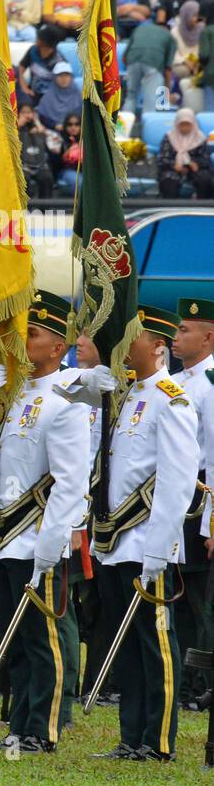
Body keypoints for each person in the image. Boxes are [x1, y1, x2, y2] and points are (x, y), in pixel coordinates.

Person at [0, 291, 89, 753]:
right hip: (1, 536)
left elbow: (70, 481)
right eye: (19, 334)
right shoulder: (11, 390)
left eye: (34, 335)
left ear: (57, 345)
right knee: (16, 639)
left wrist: (53, 542)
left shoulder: (66, 399)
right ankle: (19, 725)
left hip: (36, 538)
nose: (22, 342)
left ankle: (42, 731)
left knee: (43, 641)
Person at [80, 307, 198, 761]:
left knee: (155, 643)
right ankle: (131, 737)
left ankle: (159, 740)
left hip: (148, 539)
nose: (122, 348)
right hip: (114, 540)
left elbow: (177, 479)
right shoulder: (124, 392)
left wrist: (160, 546)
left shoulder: (172, 397)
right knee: (124, 641)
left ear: (157, 346)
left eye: (132, 339)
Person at [171, 296, 214, 711]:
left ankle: (199, 682)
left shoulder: (210, 383)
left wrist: (210, 525)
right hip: (176, 490)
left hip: (200, 495)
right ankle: (183, 680)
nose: (175, 337)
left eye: (185, 330)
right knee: (178, 593)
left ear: (209, 336)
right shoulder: (177, 381)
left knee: (198, 597)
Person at [157, 107, 214, 199]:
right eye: (182, 125)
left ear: (193, 124)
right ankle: (171, 208)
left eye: (187, 125)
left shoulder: (200, 138)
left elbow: (205, 158)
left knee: (205, 178)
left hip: (195, 170)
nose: (184, 128)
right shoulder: (169, 138)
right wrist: (174, 166)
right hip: (173, 169)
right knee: (168, 180)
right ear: (177, 124)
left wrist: (196, 164)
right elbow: (162, 159)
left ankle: (201, 208)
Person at [17, 100, 55, 199]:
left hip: (40, 165)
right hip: (22, 166)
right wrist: (18, 126)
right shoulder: (14, 129)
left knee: (47, 177)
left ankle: (45, 210)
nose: (27, 115)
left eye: (29, 112)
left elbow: (55, 147)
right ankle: (24, 210)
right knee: (23, 178)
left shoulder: (40, 129)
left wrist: (40, 128)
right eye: (23, 112)